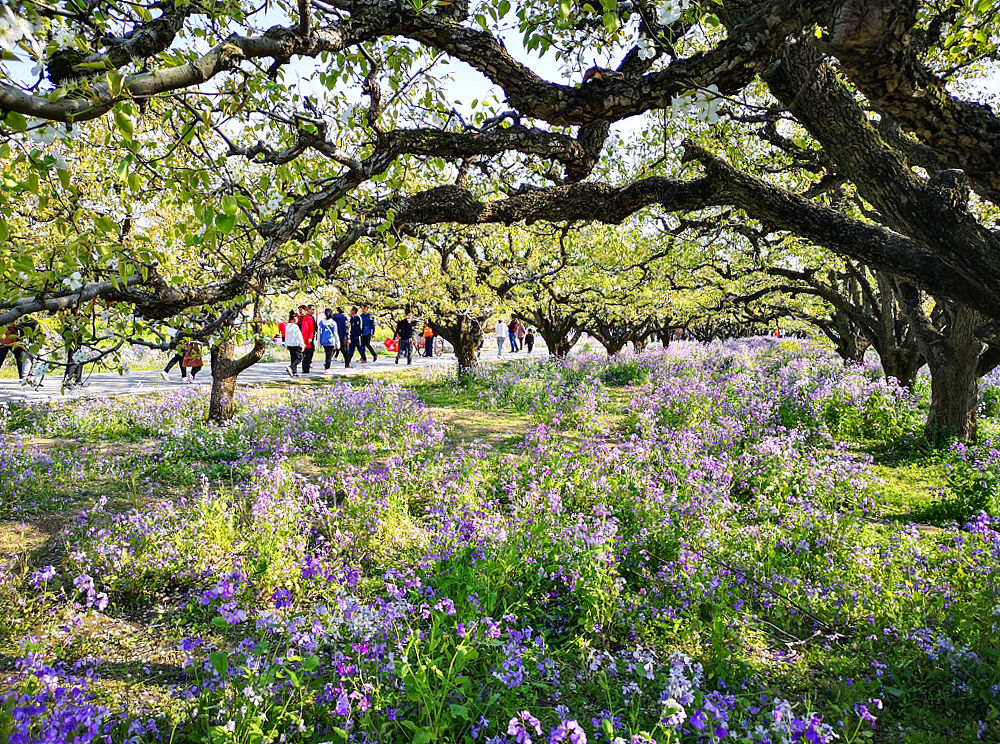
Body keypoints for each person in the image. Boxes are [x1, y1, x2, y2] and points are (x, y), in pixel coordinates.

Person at [283, 310, 305, 377]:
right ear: (295, 318)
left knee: (293, 358)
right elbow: (299, 337)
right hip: (295, 344)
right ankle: (291, 367)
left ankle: (294, 372)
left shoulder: (287, 326)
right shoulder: (295, 326)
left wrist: (286, 344)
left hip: (289, 344)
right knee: (300, 358)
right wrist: (302, 345)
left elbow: (285, 335)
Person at [318, 308, 340, 372]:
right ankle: (327, 367)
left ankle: (326, 365)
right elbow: (335, 333)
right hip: (331, 340)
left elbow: (319, 332)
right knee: (329, 355)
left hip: (324, 340)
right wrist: (337, 343)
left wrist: (319, 342)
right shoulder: (333, 323)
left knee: (327, 353)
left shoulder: (321, 322)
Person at [297, 305, 316, 374]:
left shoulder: (309, 318)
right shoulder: (297, 318)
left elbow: (312, 329)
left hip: (306, 338)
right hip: (299, 339)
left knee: (307, 354)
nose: (300, 311)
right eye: (299, 309)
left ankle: (306, 369)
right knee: (300, 354)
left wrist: (310, 337)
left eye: (301, 309)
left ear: (305, 310)